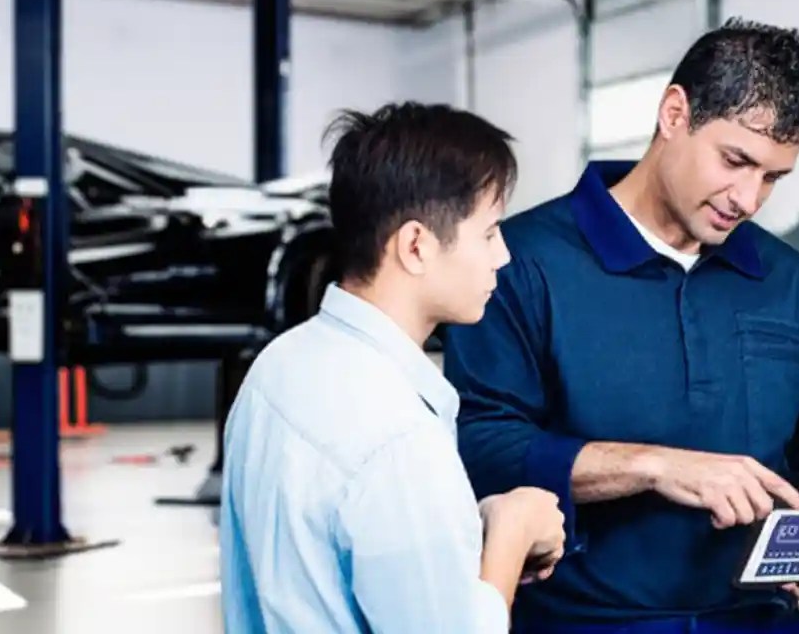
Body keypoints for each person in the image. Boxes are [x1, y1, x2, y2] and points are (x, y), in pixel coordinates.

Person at [442, 18, 799, 633]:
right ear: (673, 114)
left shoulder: (793, 288)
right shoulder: (521, 265)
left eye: (772, 176)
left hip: (755, 619)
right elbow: (480, 444)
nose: (748, 198)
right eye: (735, 160)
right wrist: (653, 466)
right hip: (582, 622)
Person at [219, 102, 568, 633]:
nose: (504, 257)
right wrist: (513, 534)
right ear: (415, 246)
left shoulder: (279, 366)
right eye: (490, 232)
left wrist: (469, 531)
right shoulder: (397, 435)